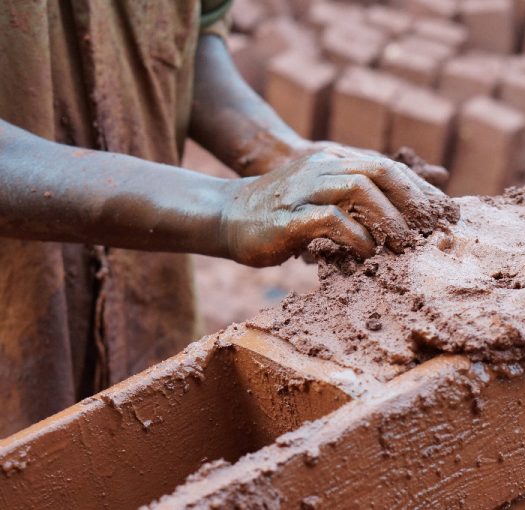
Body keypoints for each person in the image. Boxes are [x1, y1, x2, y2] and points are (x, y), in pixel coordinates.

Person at [0, 0, 446, 437]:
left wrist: (278, 152)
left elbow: (191, 33)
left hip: (149, 289)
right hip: (15, 325)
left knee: (151, 436)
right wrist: (225, 208)